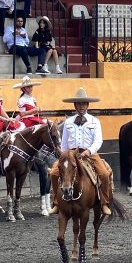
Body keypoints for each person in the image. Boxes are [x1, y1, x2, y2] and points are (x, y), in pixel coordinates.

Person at [53, 87, 114, 216]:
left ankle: (104, 202)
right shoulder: (68, 122)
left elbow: (98, 141)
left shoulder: (95, 121)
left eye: (84, 103)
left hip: (89, 154)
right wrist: (65, 155)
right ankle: (56, 202)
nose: (81, 106)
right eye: (79, 104)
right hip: (70, 154)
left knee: (103, 173)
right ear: (75, 105)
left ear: (87, 105)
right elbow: (64, 143)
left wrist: (88, 151)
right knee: (53, 173)